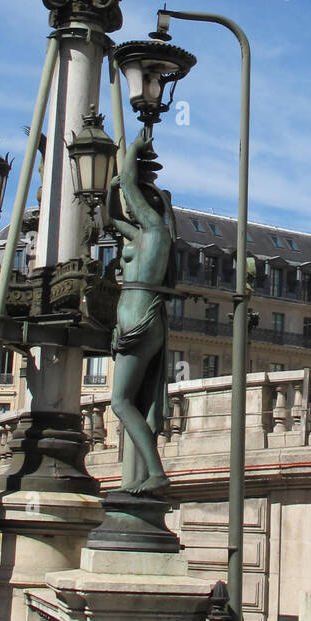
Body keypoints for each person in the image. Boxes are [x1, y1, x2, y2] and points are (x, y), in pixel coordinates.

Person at [104, 131, 175, 496]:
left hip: (138, 321)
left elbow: (130, 186)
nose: (132, 208)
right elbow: (111, 219)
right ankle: (152, 473)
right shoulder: (146, 237)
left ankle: (157, 472)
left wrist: (132, 149)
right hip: (140, 320)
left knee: (120, 401)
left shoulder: (154, 231)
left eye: (137, 204)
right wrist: (108, 188)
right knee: (138, 401)